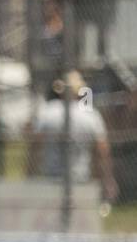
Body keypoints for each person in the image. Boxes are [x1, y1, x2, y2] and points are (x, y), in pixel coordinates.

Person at [29, 70, 118, 202]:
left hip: (50, 180)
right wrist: (107, 179)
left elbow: (35, 147)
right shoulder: (90, 115)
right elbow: (102, 151)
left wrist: (29, 176)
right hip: (80, 180)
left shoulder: (47, 112)